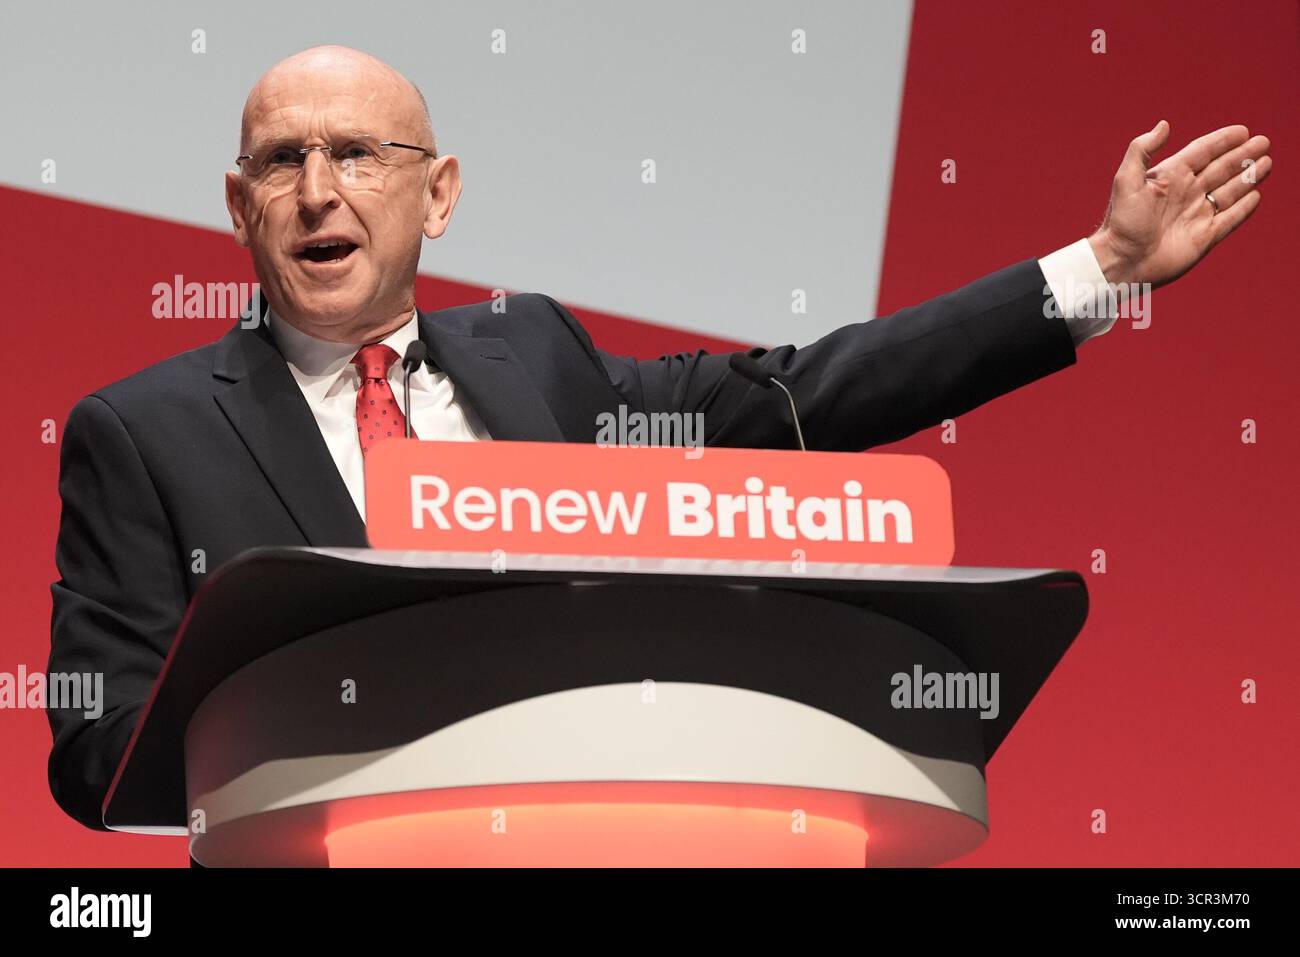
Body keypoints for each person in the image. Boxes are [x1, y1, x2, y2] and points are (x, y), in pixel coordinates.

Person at [46, 45, 1272, 831]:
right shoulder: (140, 432)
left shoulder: (547, 361)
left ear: (441, 191)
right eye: (281, 160)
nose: (318, 189)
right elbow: (99, 749)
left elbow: (813, 397)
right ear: (238, 203)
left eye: (359, 152)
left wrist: (1099, 272)